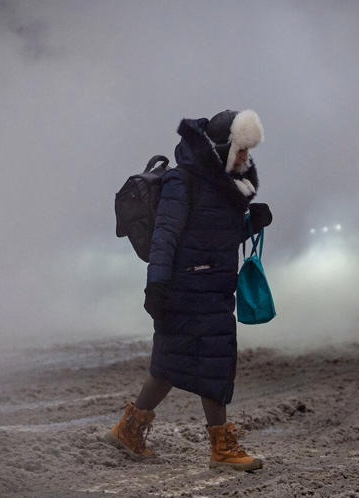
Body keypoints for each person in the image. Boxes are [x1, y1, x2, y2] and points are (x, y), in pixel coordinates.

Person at [104, 109, 273, 471]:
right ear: (223, 147)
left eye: (248, 150)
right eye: (241, 149)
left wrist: (249, 225)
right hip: (187, 289)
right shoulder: (182, 181)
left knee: (169, 364)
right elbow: (165, 235)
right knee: (215, 363)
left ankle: (128, 431)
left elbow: (212, 237)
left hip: (212, 289)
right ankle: (222, 449)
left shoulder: (227, 185)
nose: (246, 157)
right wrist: (156, 285)